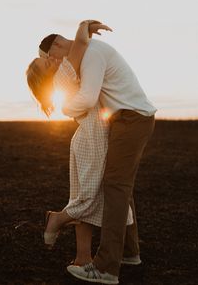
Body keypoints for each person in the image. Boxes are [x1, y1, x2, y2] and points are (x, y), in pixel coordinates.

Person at [37, 20, 157, 284]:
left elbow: (88, 99)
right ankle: (129, 253)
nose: (54, 62)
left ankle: (106, 268)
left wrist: (65, 109)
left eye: (49, 57)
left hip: (131, 120)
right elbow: (80, 45)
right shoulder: (88, 52)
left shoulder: (91, 55)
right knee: (121, 186)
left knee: (114, 186)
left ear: (57, 44)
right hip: (127, 119)